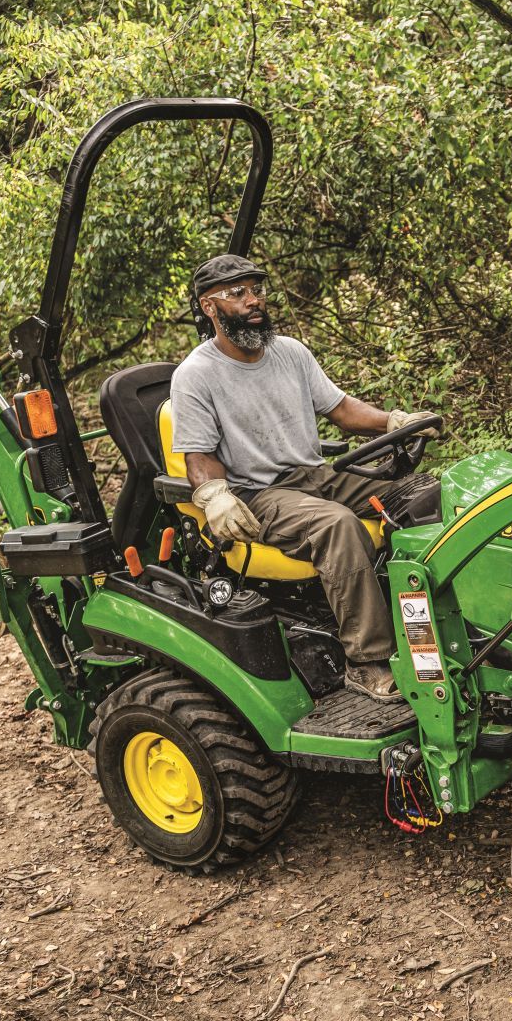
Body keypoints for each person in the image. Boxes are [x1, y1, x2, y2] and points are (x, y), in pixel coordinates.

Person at [170, 253, 439, 700]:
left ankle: (441, 626)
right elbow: (198, 457)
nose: (253, 301)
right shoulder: (195, 376)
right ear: (209, 307)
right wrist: (214, 495)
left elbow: (343, 410)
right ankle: (366, 660)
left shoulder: (290, 352)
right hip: (260, 494)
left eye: (257, 289)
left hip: (316, 474)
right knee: (337, 525)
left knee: (425, 495)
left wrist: (395, 420)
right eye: (237, 294)